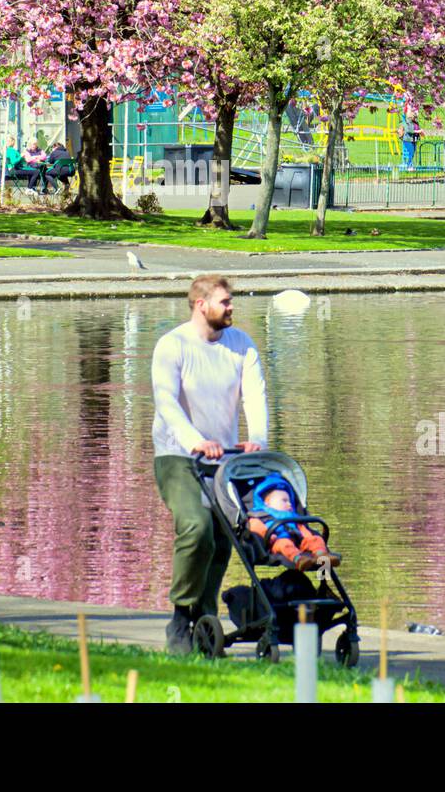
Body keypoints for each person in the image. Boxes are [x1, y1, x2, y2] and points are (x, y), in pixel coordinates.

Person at [152, 274, 267, 654]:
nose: (232, 306)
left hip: (225, 460)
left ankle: (205, 615)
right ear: (201, 304)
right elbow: (166, 401)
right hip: (178, 455)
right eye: (225, 301)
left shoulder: (241, 344)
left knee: (222, 539)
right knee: (196, 527)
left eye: (231, 300)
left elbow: (255, 396)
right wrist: (194, 441)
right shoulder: (173, 345)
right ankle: (181, 616)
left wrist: (258, 441)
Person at [247, 474, 340, 572]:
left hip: (299, 541)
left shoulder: (293, 516)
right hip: (276, 542)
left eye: (290, 501)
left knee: (316, 539)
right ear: (267, 503)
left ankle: (321, 555)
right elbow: (255, 527)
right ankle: (299, 559)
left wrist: (309, 538)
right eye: (284, 500)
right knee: (285, 544)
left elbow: (302, 529)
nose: (289, 504)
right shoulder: (261, 515)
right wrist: (268, 536)